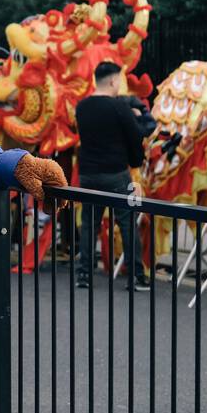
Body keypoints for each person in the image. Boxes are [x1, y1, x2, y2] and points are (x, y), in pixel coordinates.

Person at [73, 61, 148, 290]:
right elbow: (135, 137)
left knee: (89, 223)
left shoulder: (82, 107)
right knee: (127, 222)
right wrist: (136, 161)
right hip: (116, 173)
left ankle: (84, 274)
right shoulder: (119, 107)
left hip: (88, 174)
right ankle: (136, 276)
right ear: (114, 80)